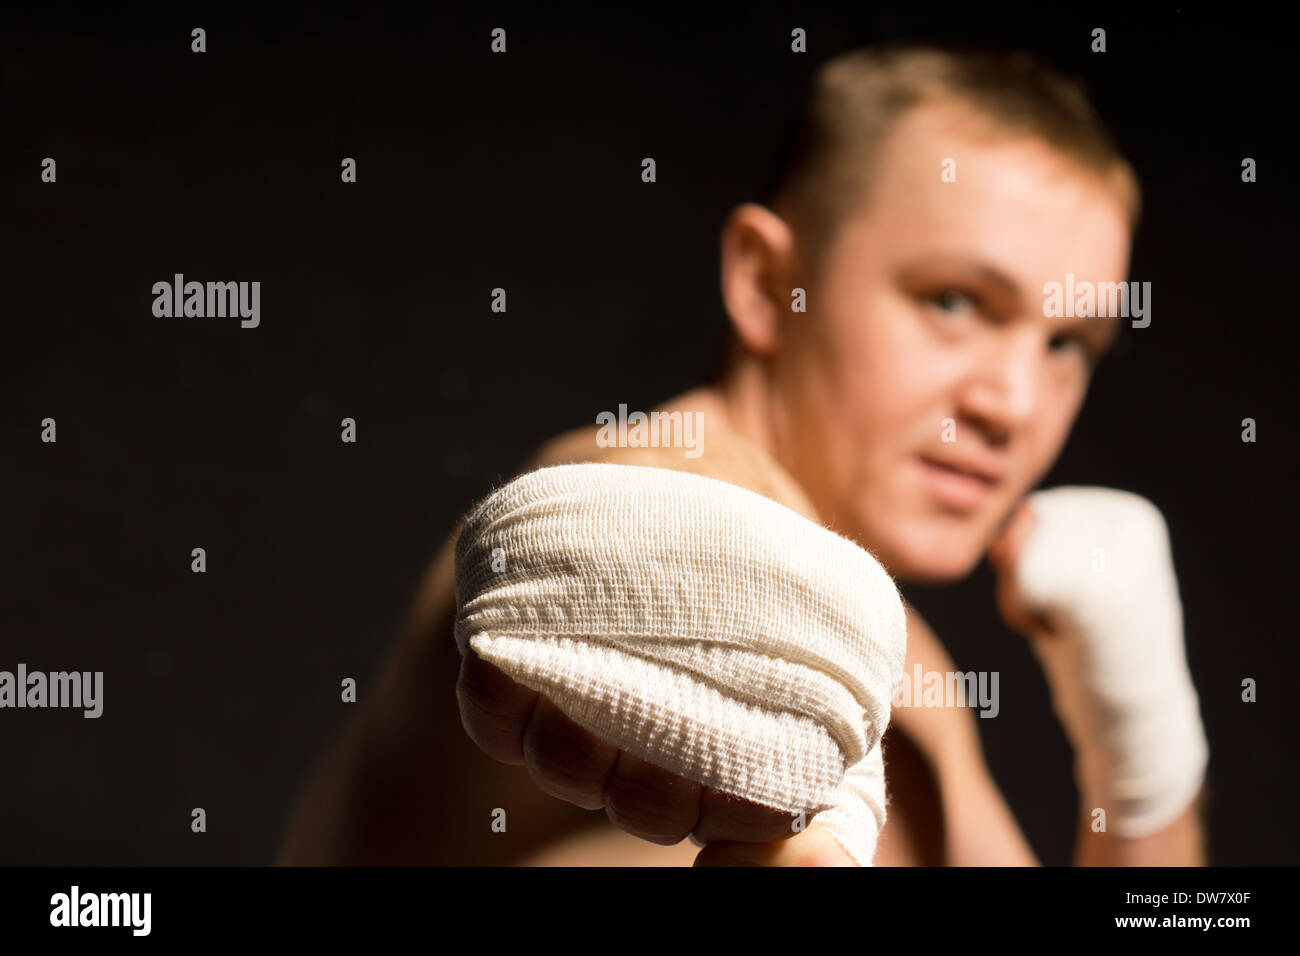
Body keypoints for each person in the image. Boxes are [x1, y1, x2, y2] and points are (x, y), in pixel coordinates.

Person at [276, 43, 1208, 866]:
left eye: (1066, 345)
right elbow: (630, 513)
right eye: (956, 302)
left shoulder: (906, 676)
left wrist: (1142, 753)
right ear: (767, 282)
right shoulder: (628, 490)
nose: (1013, 403)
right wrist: (727, 592)